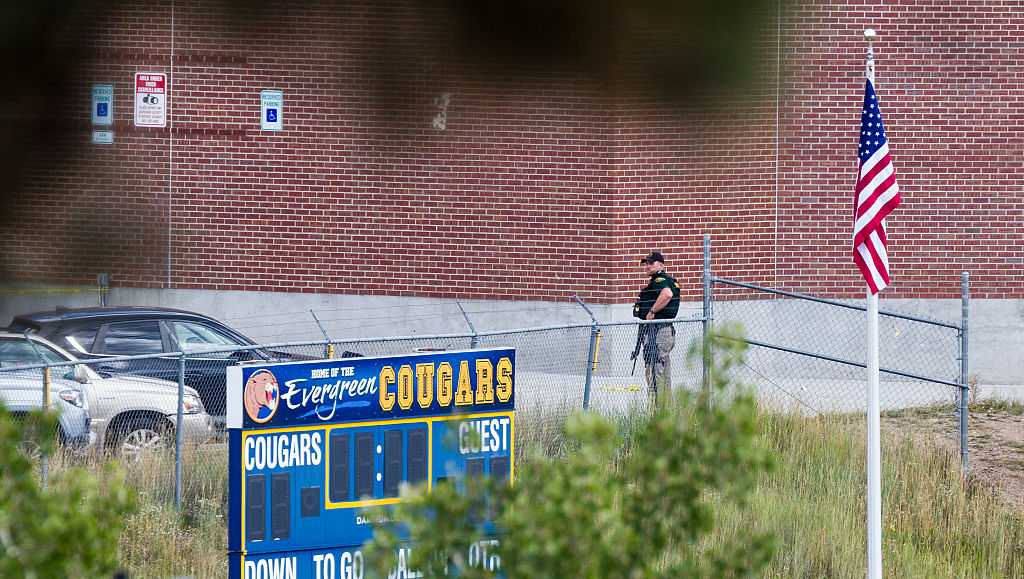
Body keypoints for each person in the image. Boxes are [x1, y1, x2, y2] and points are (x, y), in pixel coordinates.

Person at [631, 250, 681, 404]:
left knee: (654, 370)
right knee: (662, 371)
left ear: (660, 265)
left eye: (650, 263)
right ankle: (666, 409)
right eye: (645, 263)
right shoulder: (666, 280)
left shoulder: (660, 280)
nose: (647, 266)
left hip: (658, 331)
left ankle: (657, 411)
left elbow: (667, 294)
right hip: (661, 329)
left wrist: (652, 311)